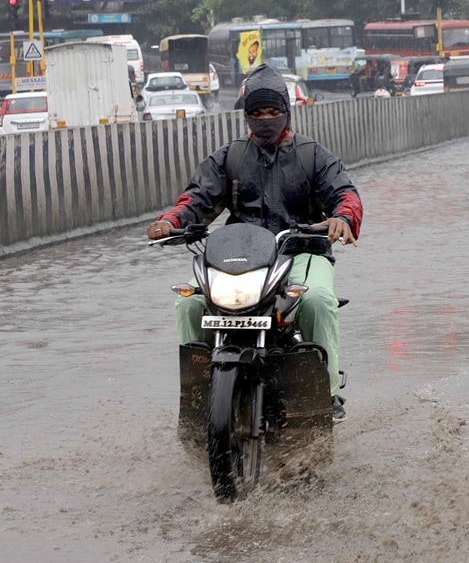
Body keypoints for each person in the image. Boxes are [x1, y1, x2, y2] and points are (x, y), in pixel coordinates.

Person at [146, 64, 363, 423]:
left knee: (317, 302)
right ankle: (199, 391)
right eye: (257, 112)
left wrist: (343, 218)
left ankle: (327, 392)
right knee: (188, 306)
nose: (265, 119)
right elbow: (197, 200)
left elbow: (345, 195)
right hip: (238, 258)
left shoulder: (313, 156)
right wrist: (171, 222)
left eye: (273, 111)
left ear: (286, 113)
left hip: (302, 252)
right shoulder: (229, 157)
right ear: (246, 115)